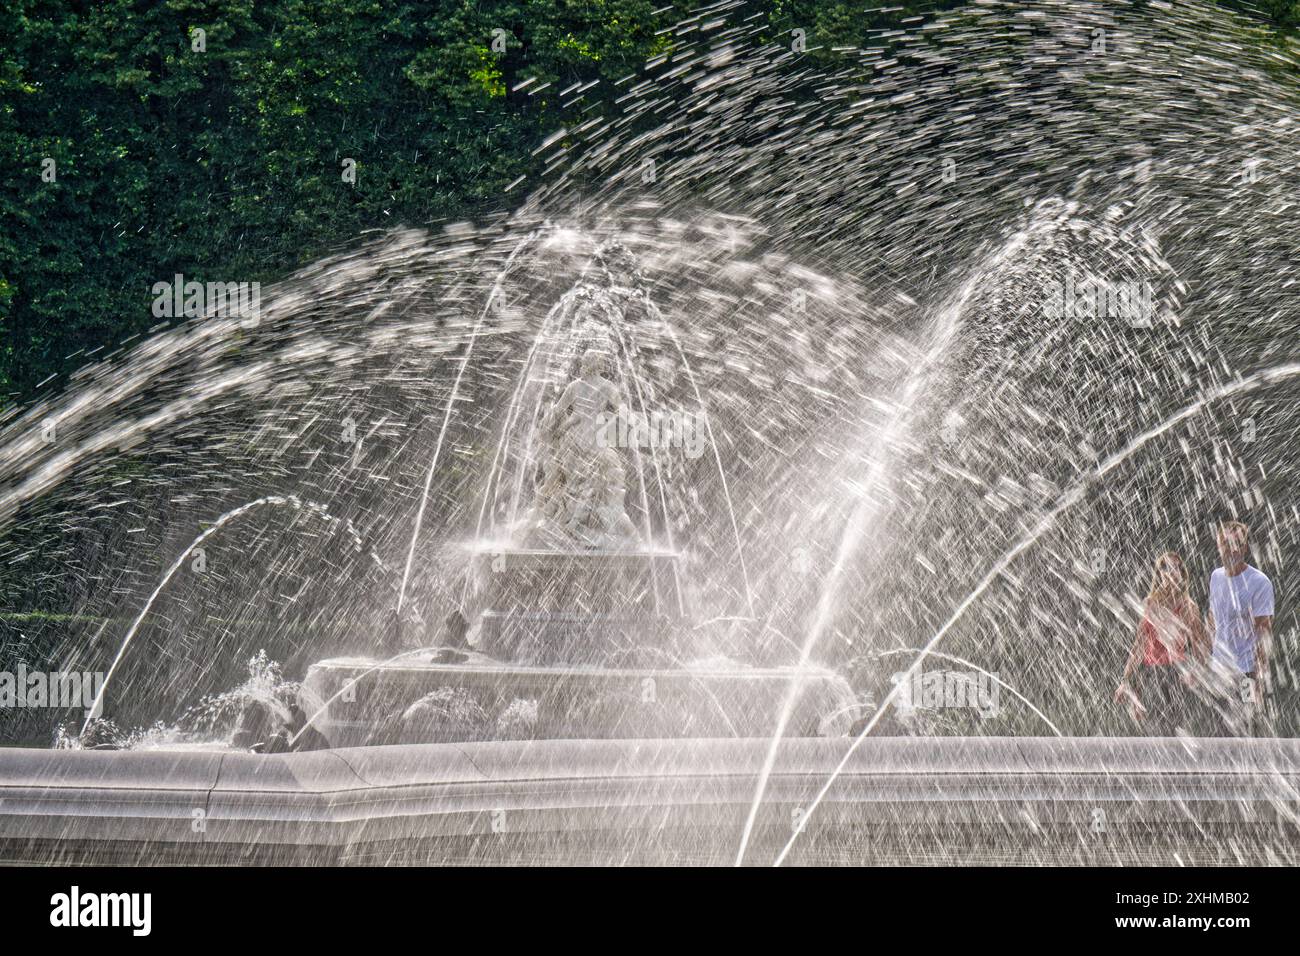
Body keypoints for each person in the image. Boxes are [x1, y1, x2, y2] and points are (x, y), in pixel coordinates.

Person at [1115, 551, 1209, 734]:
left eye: (1176, 568)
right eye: (1166, 568)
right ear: (1159, 575)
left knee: (1177, 734)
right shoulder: (1149, 604)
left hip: (1178, 675)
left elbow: (1199, 646)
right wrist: (1126, 681)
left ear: (1182, 574)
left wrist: (1196, 671)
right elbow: (1139, 645)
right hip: (1151, 675)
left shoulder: (1189, 607)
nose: (1171, 572)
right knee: (1152, 733)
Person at [1206, 520, 1275, 735]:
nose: (1231, 548)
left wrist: (1259, 677)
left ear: (1245, 547)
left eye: (1237, 543)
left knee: (1248, 726)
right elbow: (1212, 616)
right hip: (1220, 669)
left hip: (1247, 671)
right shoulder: (1216, 577)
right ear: (1218, 546)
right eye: (1225, 543)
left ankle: (1253, 767)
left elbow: (1265, 632)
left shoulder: (1259, 582)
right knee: (1219, 730)